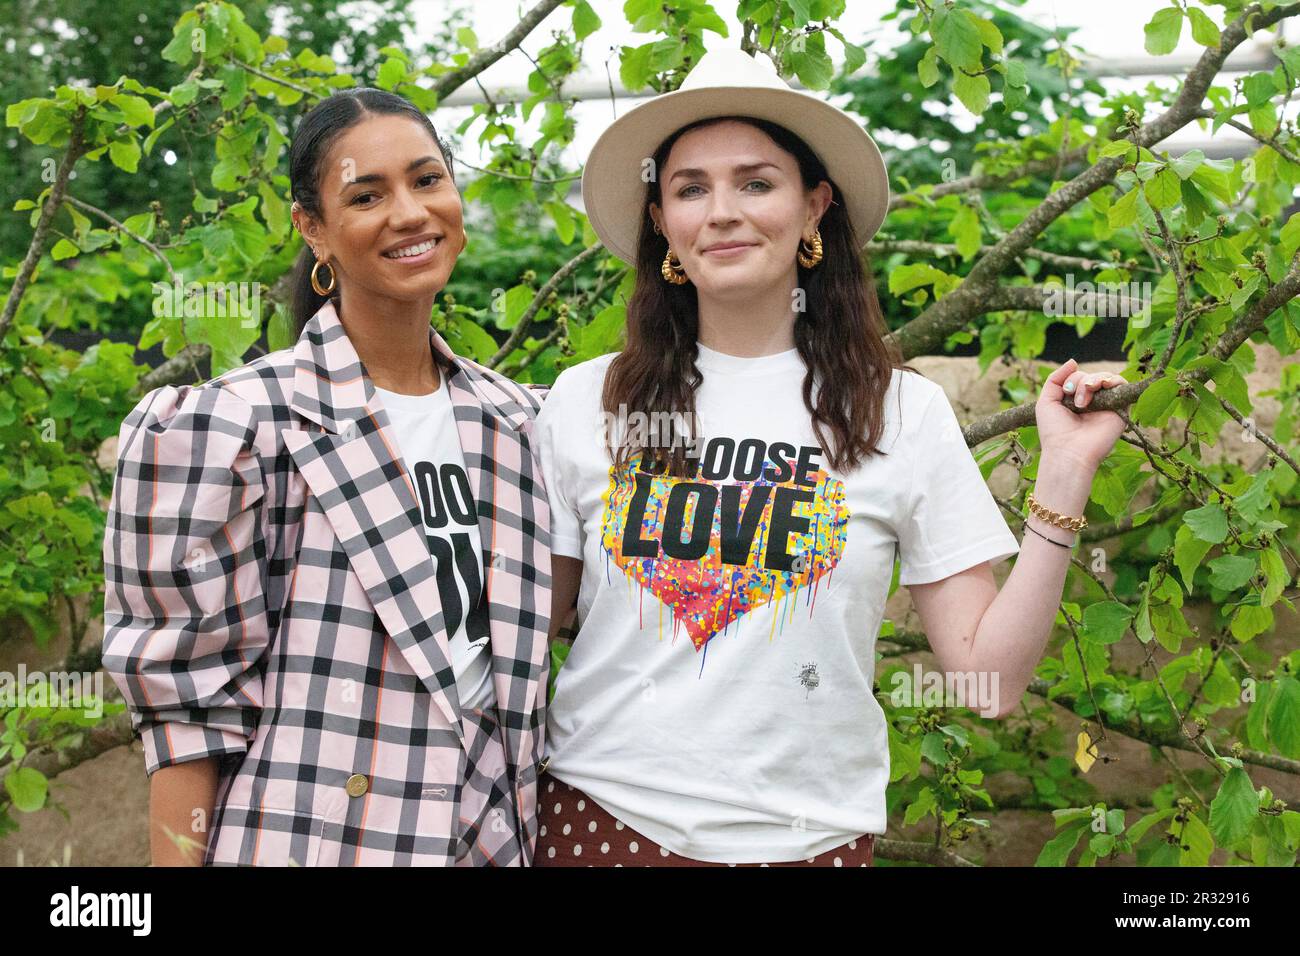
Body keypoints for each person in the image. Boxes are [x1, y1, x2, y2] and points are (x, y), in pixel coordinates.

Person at [530, 49, 1126, 867]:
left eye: (756, 182)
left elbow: (988, 682)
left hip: (811, 841)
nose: (723, 212)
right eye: (690, 188)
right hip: (602, 826)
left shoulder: (902, 411)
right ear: (662, 222)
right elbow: (523, 638)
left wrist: (1065, 473)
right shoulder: (583, 400)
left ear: (814, 207)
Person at [102, 88, 553, 866]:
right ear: (312, 228)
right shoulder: (235, 424)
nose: (410, 214)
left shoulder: (518, 421)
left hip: (491, 837)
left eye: (427, 179)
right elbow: (186, 715)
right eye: (366, 195)